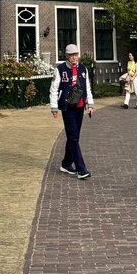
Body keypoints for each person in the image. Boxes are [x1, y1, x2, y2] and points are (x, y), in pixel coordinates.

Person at [49, 43, 94, 179]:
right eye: (71, 55)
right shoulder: (60, 69)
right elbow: (54, 88)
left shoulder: (82, 68)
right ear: (67, 56)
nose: (74, 57)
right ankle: (81, 169)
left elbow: (87, 87)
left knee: (74, 137)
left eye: (76, 54)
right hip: (67, 107)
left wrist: (90, 104)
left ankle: (66, 163)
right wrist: (54, 107)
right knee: (73, 137)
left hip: (80, 107)